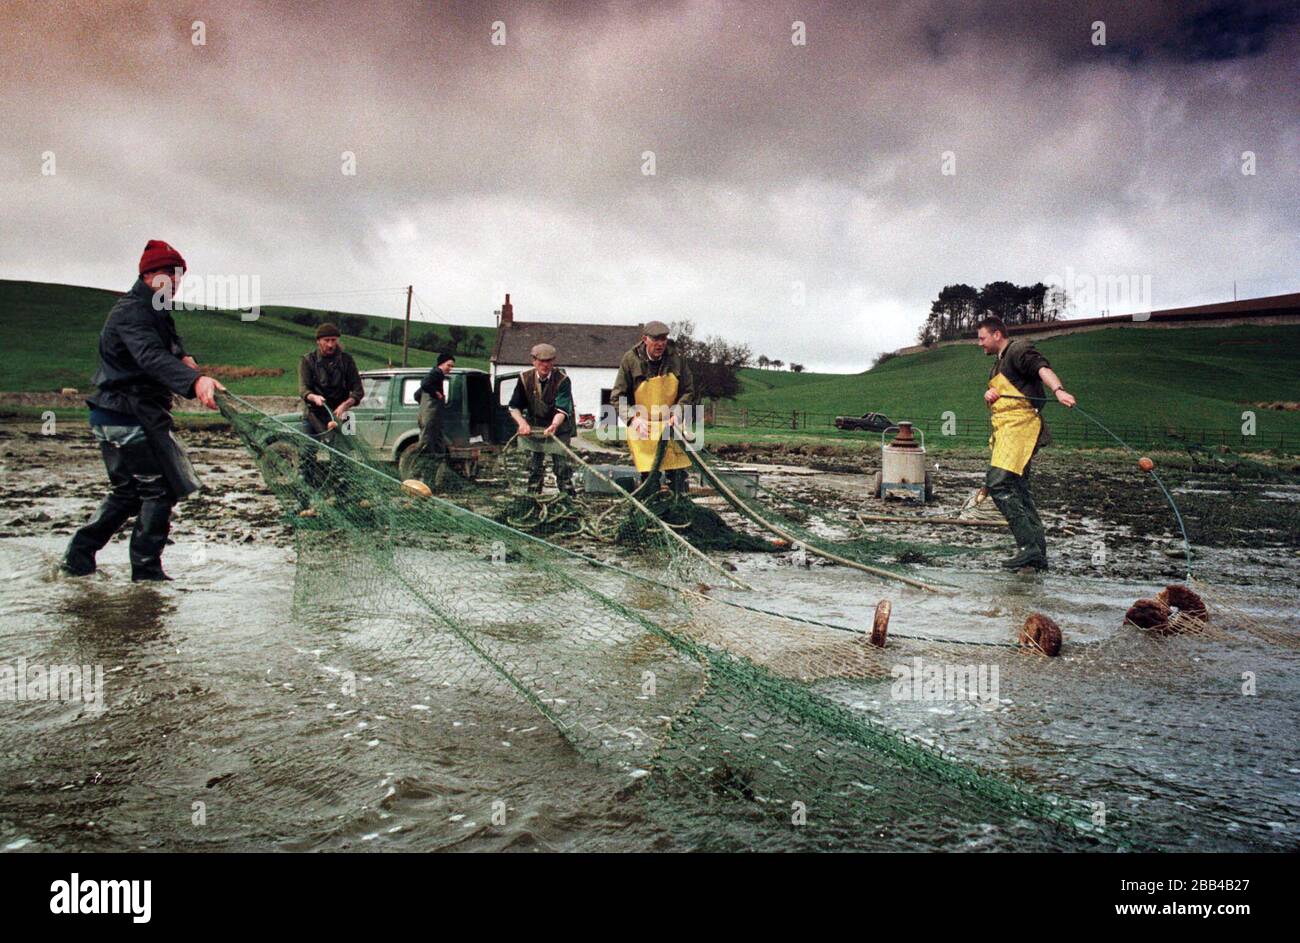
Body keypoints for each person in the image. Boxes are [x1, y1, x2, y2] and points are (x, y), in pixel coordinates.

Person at [62, 240, 225, 581]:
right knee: (158, 490)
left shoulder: (155, 307)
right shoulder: (132, 311)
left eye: (179, 275)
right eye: (169, 273)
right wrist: (194, 383)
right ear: (148, 274)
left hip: (115, 416)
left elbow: (169, 346)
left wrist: (184, 360)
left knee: (128, 492)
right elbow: (150, 356)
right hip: (127, 415)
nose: (175, 281)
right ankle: (147, 575)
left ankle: (77, 559)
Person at [976, 316, 1076, 570]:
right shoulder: (996, 367)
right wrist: (990, 397)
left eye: (982, 338)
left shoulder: (1018, 350)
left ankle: (1028, 547)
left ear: (997, 334)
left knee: (998, 484)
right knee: (1019, 489)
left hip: (1022, 429)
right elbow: (1003, 398)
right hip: (1006, 431)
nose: (979, 344)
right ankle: (1038, 554)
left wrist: (1059, 390)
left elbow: (1042, 368)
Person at [609, 320, 696, 495]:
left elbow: (688, 391)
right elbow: (618, 397)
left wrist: (677, 413)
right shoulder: (630, 360)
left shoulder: (677, 360)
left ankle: (680, 506)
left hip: (671, 424)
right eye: (655, 339)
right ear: (645, 339)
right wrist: (632, 418)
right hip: (643, 426)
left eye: (663, 339)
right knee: (649, 478)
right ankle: (653, 506)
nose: (660, 344)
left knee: (678, 475)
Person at [508, 343, 577, 495]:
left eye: (549, 361)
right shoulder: (524, 378)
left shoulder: (563, 380)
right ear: (533, 361)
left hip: (559, 429)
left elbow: (563, 409)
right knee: (534, 467)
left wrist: (554, 425)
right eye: (541, 361)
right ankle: (533, 499)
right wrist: (522, 423)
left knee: (561, 466)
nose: (545, 365)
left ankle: (569, 500)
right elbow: (514, 407)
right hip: (535, 427)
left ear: (553, 361)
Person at [298, 323, 363, 437]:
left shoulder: (347, 360)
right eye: (326, 340)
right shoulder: (308, 360)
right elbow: (303, 389)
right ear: (318, 341)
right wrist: (314, 397)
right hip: (314, 413)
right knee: (308, 449)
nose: (330, 344)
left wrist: (345, 405)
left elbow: (358, 391)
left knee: (343, 451)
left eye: (333, 340)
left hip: (342, 414)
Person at [414, 352, 455, 478]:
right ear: (441, 364)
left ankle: (428, 478)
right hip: (430, 419)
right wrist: (437, 394)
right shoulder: (436, 373)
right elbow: (424, 384)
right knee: (426, 446)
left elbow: (417, 394)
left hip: (431, 418)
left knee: (438, 449)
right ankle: (415, 475)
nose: (450, 369)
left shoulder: (437, 376)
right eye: (449, 365)